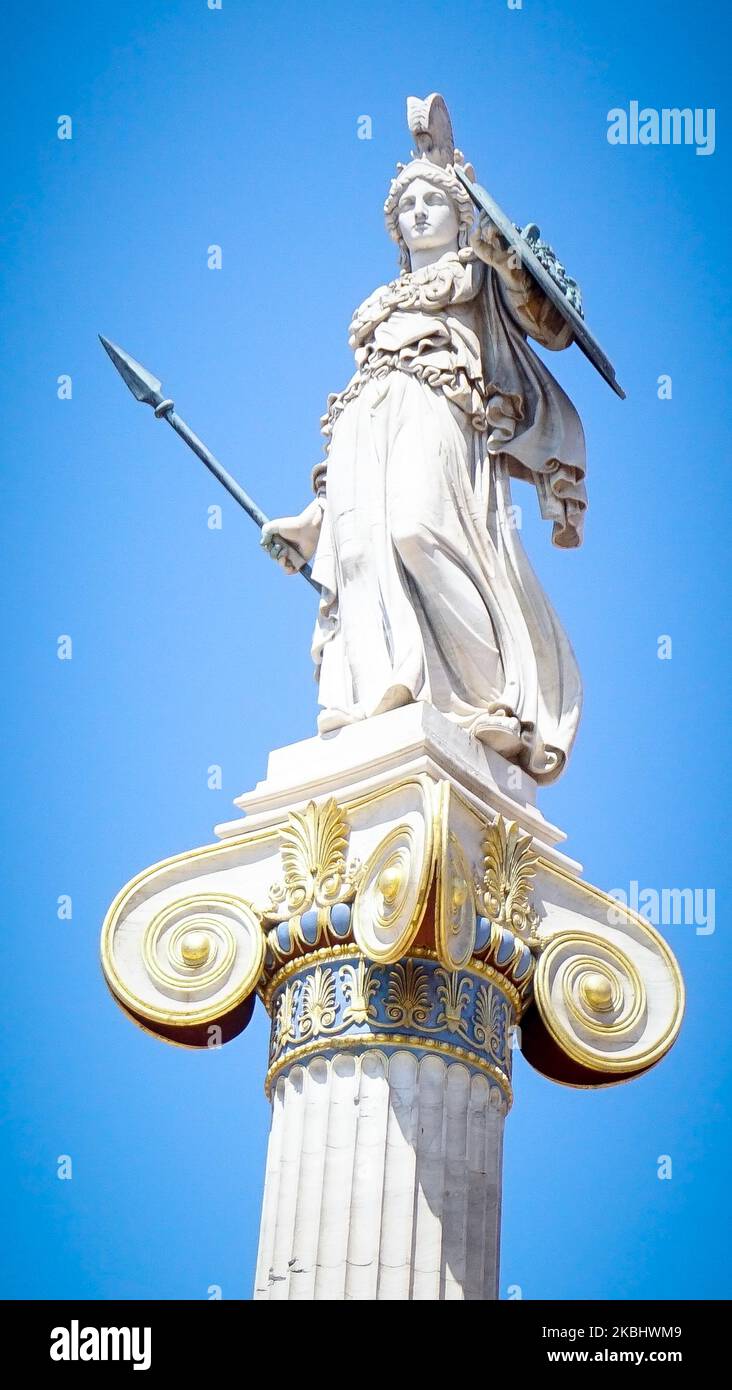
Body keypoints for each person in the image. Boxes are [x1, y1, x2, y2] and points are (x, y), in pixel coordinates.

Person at [262, 98, 587, 783]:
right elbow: (348, 412)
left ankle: (490, 697)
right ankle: (377, 694)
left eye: (430, 199)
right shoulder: (379, 308)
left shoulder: (478, 278)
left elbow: (554, 327)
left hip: (438, 405)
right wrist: (313, 519)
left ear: (458, 214)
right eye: (405, 202)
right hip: (365, 420)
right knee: (358, 553)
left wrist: (511, 266)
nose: (416, 210)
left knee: (415, 530)